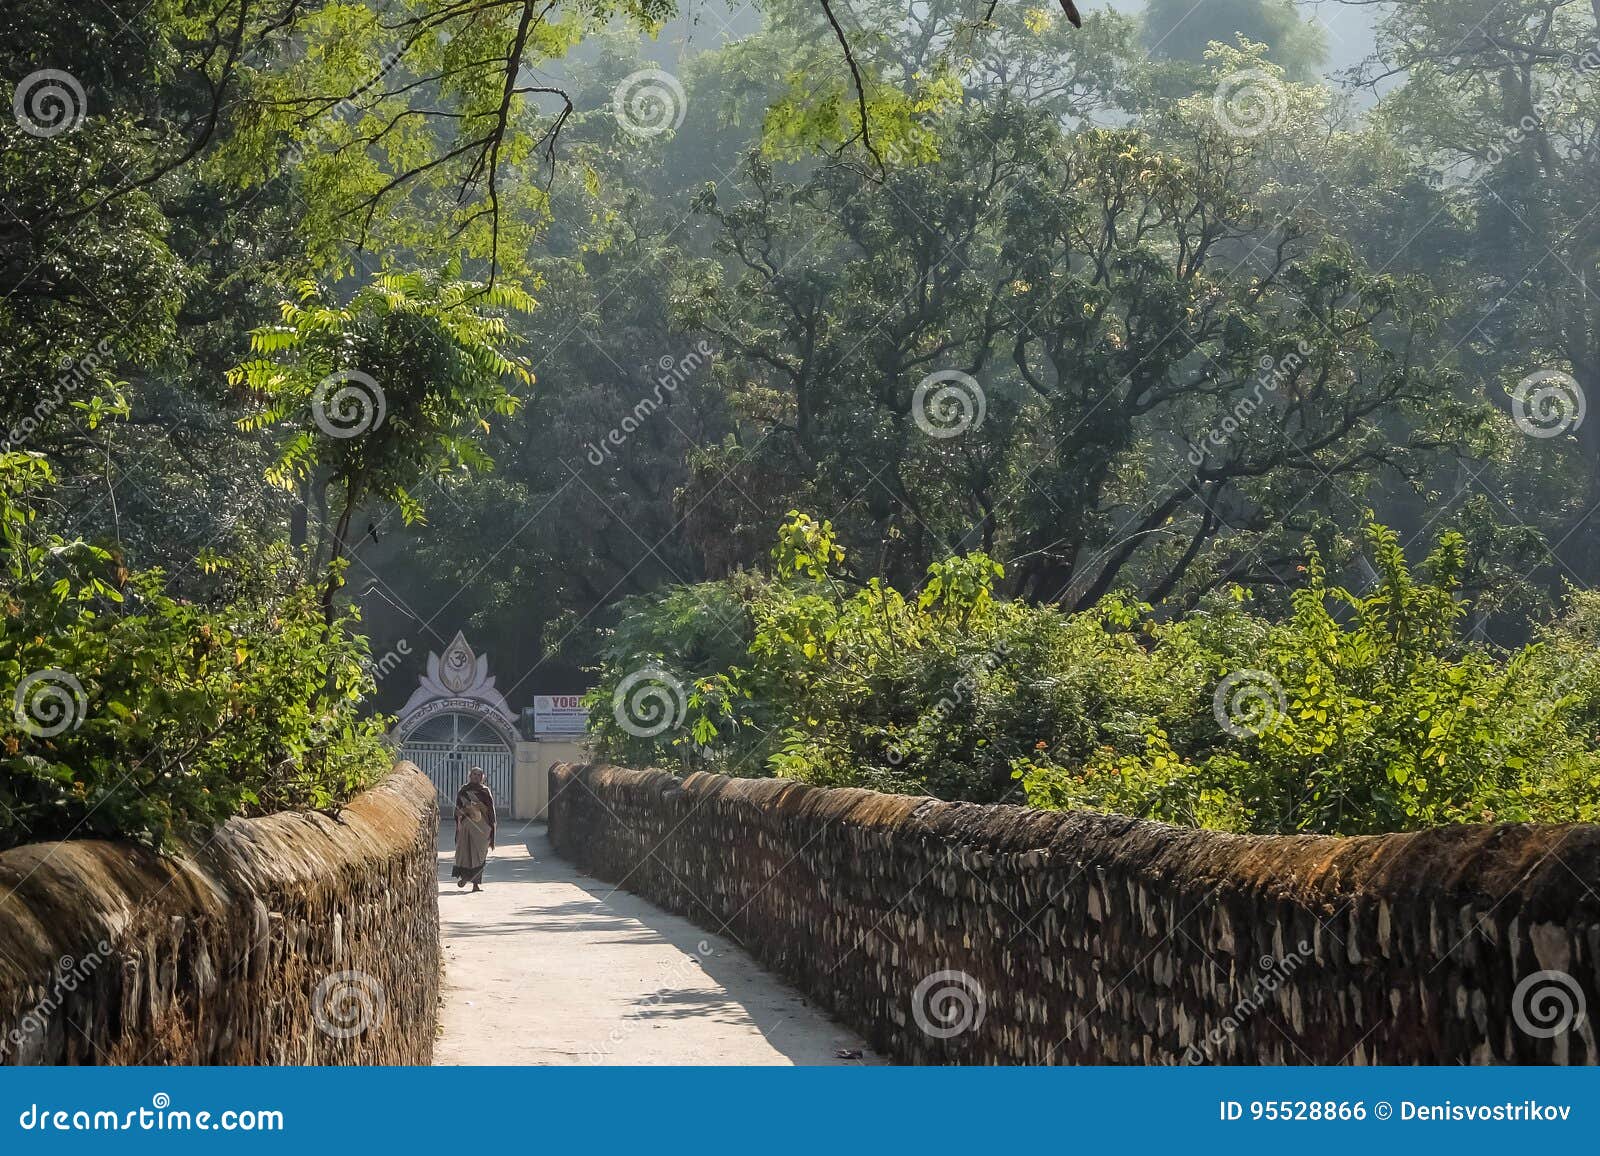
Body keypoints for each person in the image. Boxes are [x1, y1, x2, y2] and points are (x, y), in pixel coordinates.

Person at [452, 768, 496, 892]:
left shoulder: (485, 791)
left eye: (479, 775)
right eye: (474, 774)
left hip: (482, 828)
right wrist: (465, 810)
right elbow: (458, 808)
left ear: (482, 777)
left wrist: (491, 825)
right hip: (467, 825)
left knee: (480, 855)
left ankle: (475, 884)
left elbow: (490, 810)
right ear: (470, 776)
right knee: (466, 852)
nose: (476, 776)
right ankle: (465, 877)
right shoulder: (464, 790)